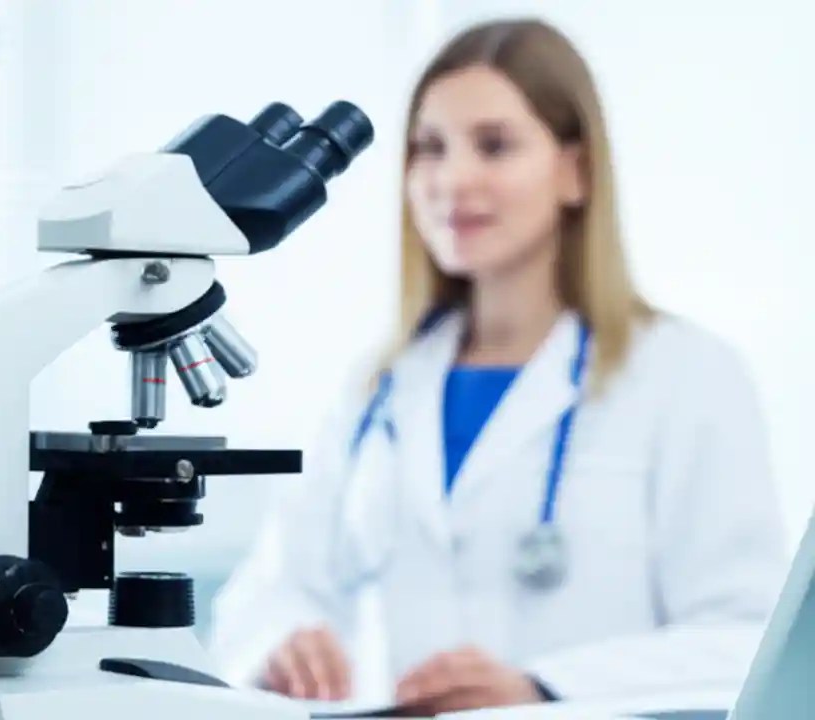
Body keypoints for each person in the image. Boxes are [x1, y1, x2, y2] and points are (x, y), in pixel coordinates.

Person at [207, 17, 790, 716]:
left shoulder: (686, 374)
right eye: (429, 149)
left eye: (495, 145)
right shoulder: (380, 386)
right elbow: (268, 590)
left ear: (576, 169)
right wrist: (281, 639)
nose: (452, 179)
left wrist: (542, 687)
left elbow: (744, 635)